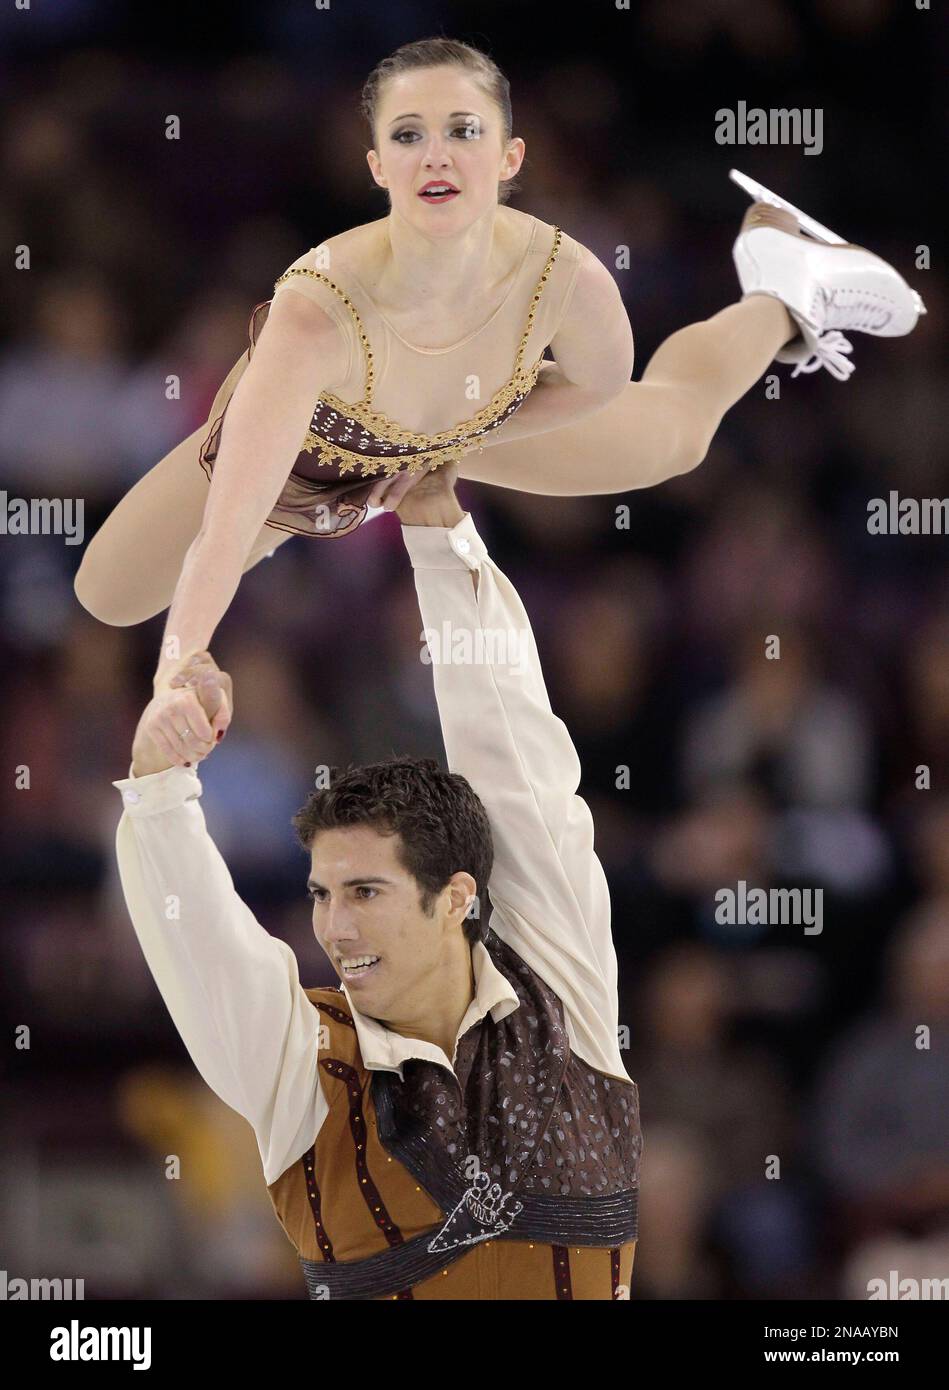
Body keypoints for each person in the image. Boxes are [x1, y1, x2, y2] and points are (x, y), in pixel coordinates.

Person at [76, 35, 923, 764]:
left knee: (674, 435)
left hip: (444, 433)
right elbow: (226, 530)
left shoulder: (566, 279)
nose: (435, 154)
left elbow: (596, 386)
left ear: (509, 156)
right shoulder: (315, 317)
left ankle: (779, 288)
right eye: (408, 135)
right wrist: (179, 667)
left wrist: (451, 437)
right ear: (376, 166)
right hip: (292, 466)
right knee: (108, 596)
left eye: (463, 130)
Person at [112, 461, 643, 1300]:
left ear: (457, 899)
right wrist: (159, 782)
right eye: (322, 894)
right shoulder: (299, 1066)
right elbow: (201, 943)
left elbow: (515, 764)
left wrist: (437, 526)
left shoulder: (561, 996)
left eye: (365, 892)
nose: (334, 928)